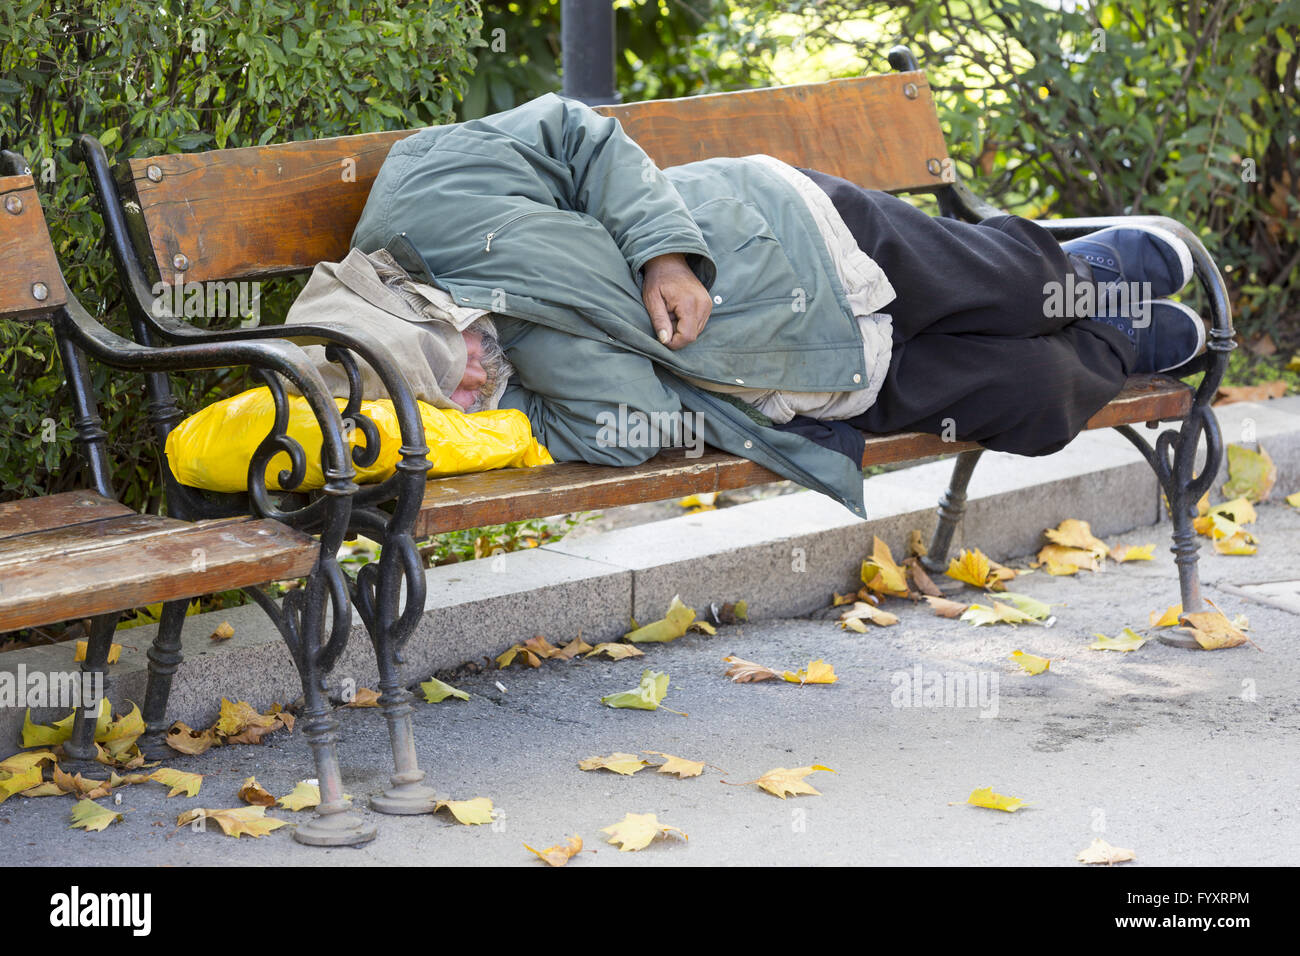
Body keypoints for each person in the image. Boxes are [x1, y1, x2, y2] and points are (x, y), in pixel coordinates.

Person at [344, 93, 1205, 518]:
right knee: (1032, 395)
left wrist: (665, 256)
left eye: (442, 372)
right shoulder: (509, 397)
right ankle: (1120, 341)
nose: (465, 392)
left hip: (796, 239)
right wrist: (524, 392)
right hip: (804, 386)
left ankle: (1092, 273)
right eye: (444, 404)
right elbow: (644, 423)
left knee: (1017, 288)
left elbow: (577, 131)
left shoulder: (423, 195)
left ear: (407, 308)